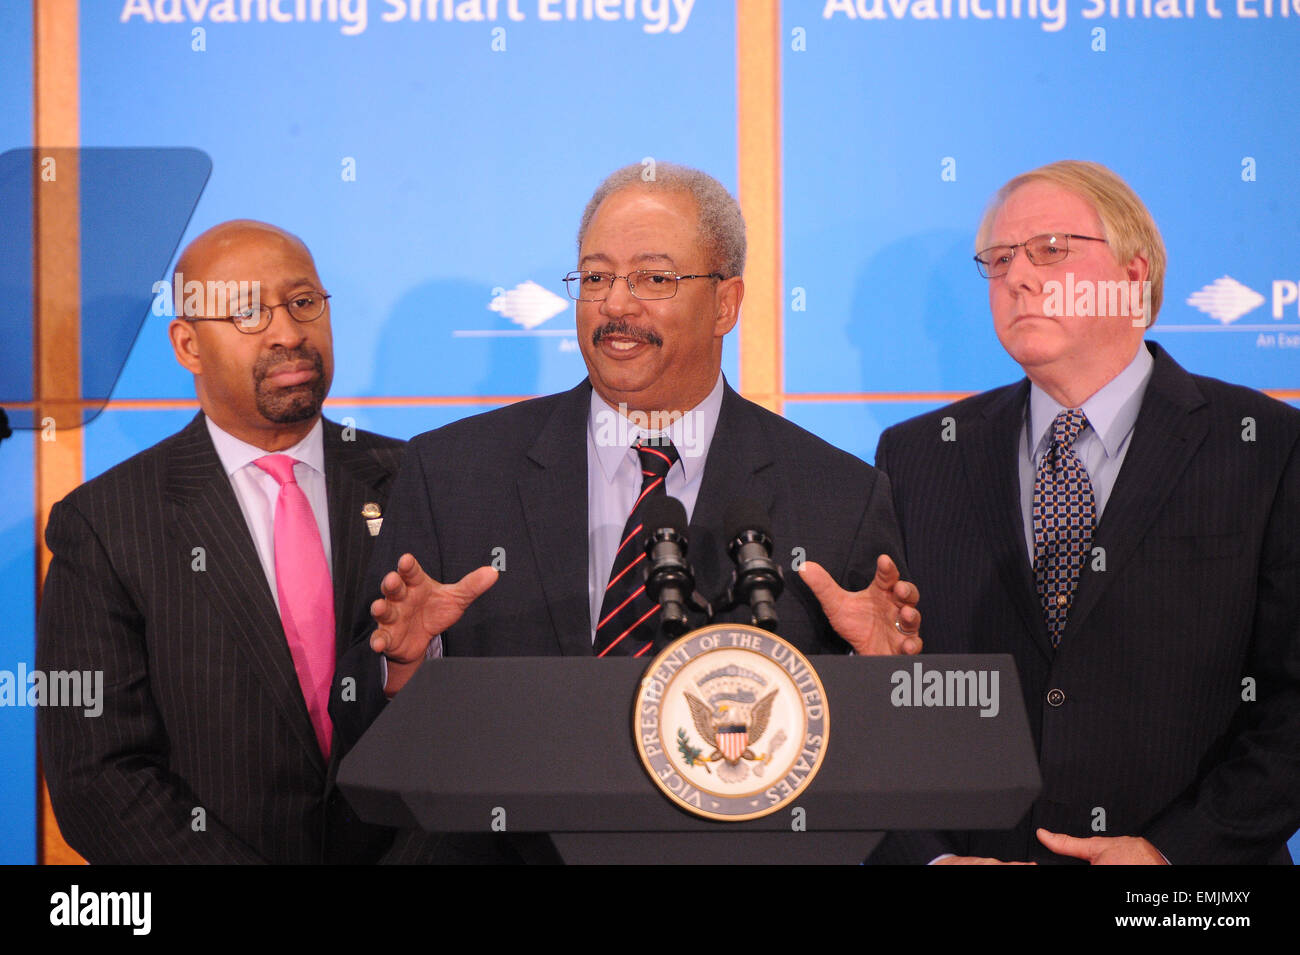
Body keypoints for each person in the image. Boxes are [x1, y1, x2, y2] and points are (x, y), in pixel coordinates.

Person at [332, 165, 923, 861]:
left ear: (727, 304)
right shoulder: (452, 473)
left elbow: (876, 782)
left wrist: (882, 684)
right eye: (595, 277)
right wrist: (405, 666)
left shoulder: (838, 495)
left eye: (654, 278)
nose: (616, 305)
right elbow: (360, 743)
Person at [870, 160, 1300, 864]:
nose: (1018, 276)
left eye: (1051, 251)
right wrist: (931, 859)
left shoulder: (1266, 446)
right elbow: (881, 700)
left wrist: (1173, 854)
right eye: (1000, 259)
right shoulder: (920, 455)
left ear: (1136, 278)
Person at [37, 220, 406, 863]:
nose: (289, 332)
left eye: (303, 303)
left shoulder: (417, 481)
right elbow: (97, 778)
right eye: (246, 312)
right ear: (187, 344)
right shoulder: (105, 525)